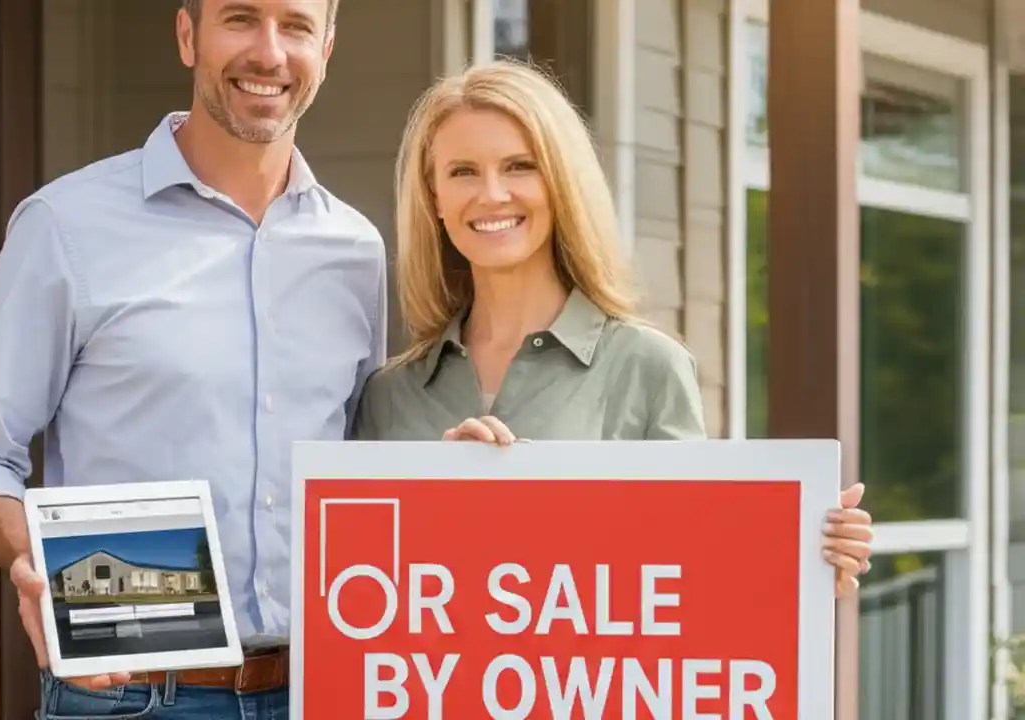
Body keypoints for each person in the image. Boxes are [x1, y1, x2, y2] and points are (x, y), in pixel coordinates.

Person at [0, 0, 379, 717]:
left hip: (320, 690)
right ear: (188, 34)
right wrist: (30, 553)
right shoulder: (67, 226)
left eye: (294, 26)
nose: (268, 52)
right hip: (133, 695)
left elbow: (360, 464)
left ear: (327, 47)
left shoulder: (357, 251)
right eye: (240, 19)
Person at [350, 60, 874, 597]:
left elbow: (690, 575)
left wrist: (805, 564)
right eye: (462, 171)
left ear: (560, 182)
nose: (492, 194)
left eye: (519, 166)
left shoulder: (648, 369)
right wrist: (437, 503)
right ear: (434, 196)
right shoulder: (390, 397)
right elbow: (359, 590)